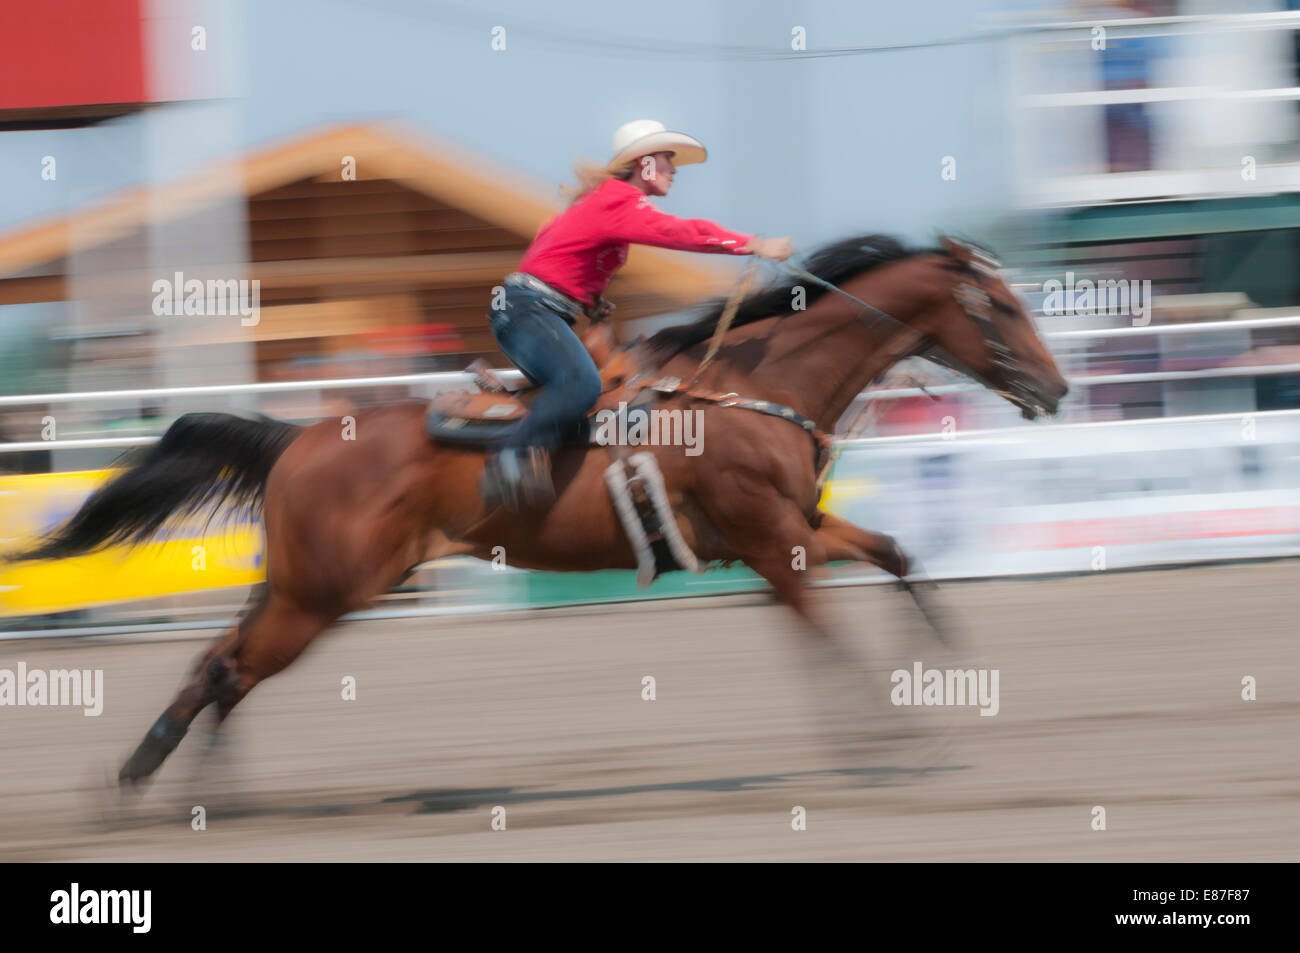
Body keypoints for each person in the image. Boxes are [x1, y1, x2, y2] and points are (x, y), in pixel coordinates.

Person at [482, 118, 794, 510]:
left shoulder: (606, 201)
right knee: (579, 385)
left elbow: (556, 253)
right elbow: (679, 232)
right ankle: (512, 456)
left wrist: (588, 300)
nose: (674, 168)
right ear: (644, 164)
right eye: (667, 158)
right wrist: (751, 244)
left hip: (529, 310)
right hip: (528, 312)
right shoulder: (618, 202)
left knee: (591, 384)